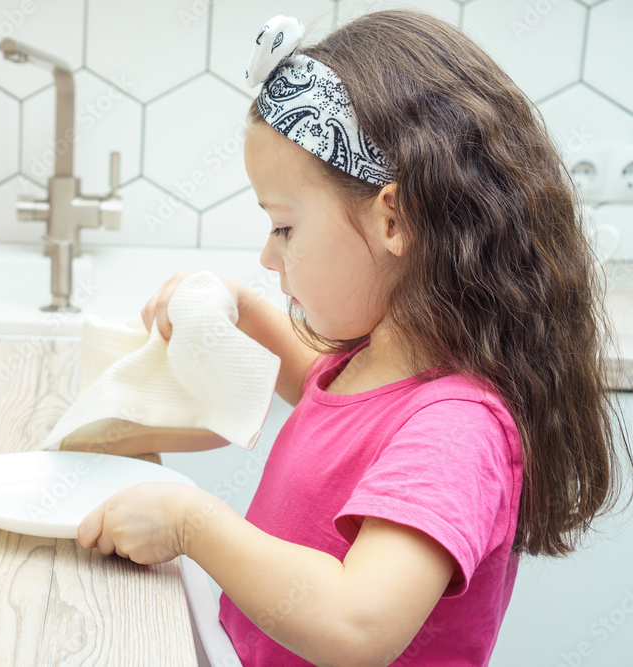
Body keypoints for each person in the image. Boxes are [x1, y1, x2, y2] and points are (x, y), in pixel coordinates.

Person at [73, 10, 633, 666]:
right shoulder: (376, 362)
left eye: (283, 227)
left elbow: (357, 624)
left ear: (392, 219)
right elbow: (320, 388)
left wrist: (192, 522)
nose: (269, 256)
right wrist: (239, 308)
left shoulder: (457, 432)